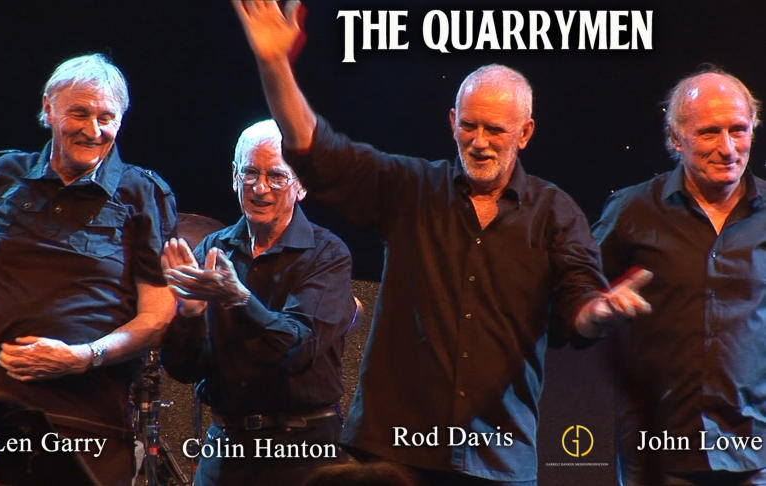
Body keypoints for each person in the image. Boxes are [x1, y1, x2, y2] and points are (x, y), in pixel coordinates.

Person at [232, 2, 652, 485]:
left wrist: (599, 310)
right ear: (452, 121)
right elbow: (319, 152)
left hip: (497, 459)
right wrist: (275, 65)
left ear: (525, 133)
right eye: (469, 125)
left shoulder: (555, 213)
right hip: (395, 453)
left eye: (495, 129)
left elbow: (578, 304)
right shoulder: (411, 189)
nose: (479, 141)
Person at [0, 53, 177, 486]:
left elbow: (157, 316)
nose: (94, 129)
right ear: (48, 109)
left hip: (88, 426)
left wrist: (85, 356)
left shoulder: (141, 193)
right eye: (80, 113)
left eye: (107, 117)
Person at [594, 67, 766, 486]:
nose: (727, 148)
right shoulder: (632, 211)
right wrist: (597, 304)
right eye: (709, 133)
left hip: (754, 451)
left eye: (738, 130)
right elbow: (575, 290)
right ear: (676, 138)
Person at [161, 119, 356, 486]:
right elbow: (184, 370)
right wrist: (189, 314)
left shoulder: (327, 254)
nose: (260, 187)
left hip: (302, 448)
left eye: (276, 176)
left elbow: (299, 347)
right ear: (234, 177)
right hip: (226, 446)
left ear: (301, 185)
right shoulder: (213, 248)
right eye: (250, 173)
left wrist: (239, 297)